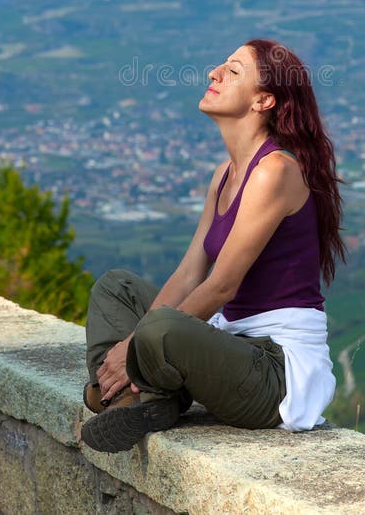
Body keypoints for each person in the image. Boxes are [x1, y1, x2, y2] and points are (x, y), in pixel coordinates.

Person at [81, 38, 346, 453]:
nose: (214, 73)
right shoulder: (225, 174)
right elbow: (190, 273)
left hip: (274, 371)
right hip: (228, 344)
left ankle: (133, 393)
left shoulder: (275, 171)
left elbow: (222, 286)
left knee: (159, 328)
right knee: (117, 288)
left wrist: (133, 347)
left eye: (233, 71)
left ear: (263, 101)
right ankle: (148, 400)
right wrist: (136, 342)